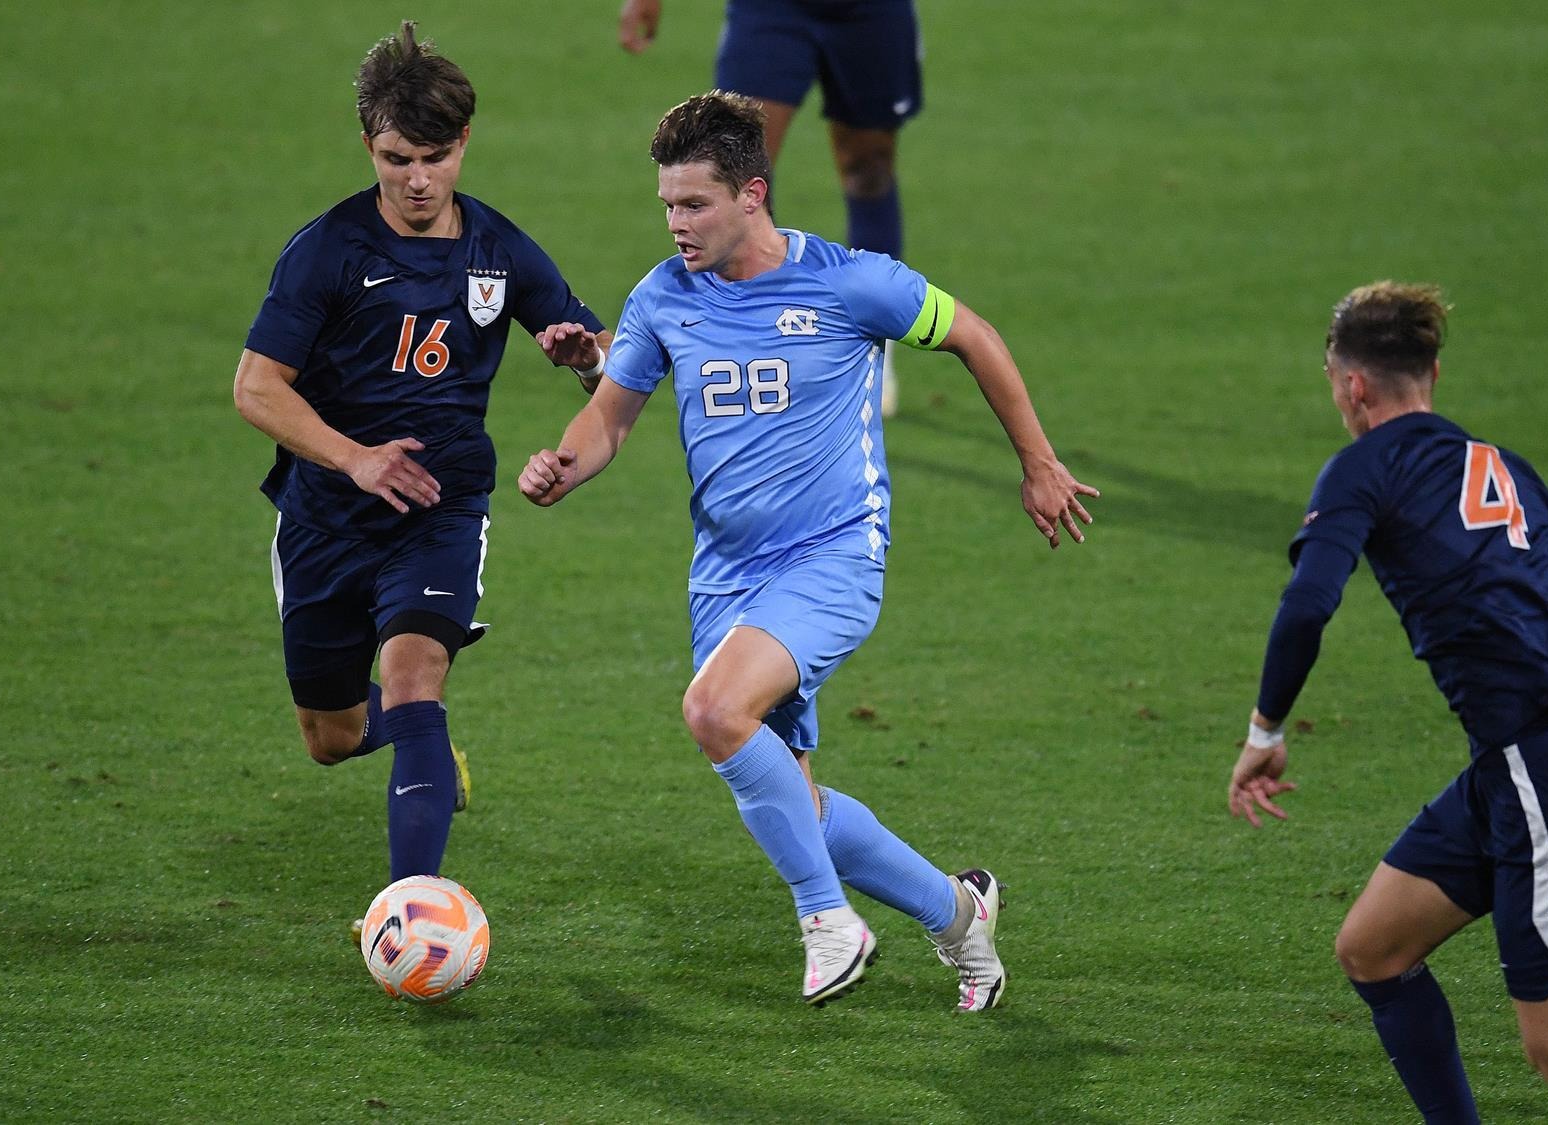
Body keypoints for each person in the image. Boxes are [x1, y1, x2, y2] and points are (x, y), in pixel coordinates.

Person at [518, 92, 1098, 1009]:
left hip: (832, 558)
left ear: (753, 194)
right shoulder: (663, 295)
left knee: (713, 711)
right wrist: (563, 466)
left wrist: (1038, 462)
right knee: (796, 801)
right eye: (668, 204)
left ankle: (828, 921)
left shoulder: (850, 282)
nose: (677, 224)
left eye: (696, 203)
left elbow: (975, 335)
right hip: (726, 578)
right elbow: (611, 417)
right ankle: (958, 915)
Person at [1226, 282, 1548, 1119]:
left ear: (1353, 385)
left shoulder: (1363, 468)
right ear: (1433, 370)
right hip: (1526, 762)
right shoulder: (1502, 467)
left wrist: (1265, 729)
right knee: (1372, 949)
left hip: (1540, 773)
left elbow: (1309, 601)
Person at [232, 21, 610, 890]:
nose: (417, 178)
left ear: (464, 143)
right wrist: (354, 457)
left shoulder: (497, 250)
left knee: (413, 682)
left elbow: (613, 371)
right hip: (325, 519)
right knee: (329, 737)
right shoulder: (327, 251)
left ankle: (412, 915)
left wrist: (585, 356)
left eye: (435, 157)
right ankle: (429, 761)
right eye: (397, 157)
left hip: (440, 512)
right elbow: (256, 387)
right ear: (368, 143)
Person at [617, 0, 920, 418]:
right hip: (771, 9)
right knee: (737, 166)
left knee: (869, 169)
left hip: (869, 13)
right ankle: (757, 340)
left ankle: (875, 345)